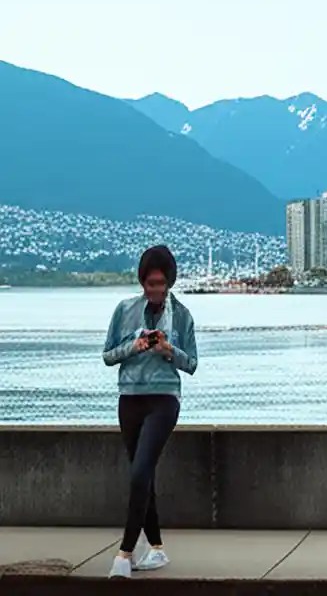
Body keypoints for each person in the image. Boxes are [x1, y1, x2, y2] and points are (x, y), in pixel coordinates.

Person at [101, 245, 198, 579]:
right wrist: (135, 345)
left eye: (160, 283)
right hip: (129, 398)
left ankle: (124, 553)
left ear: (169, 281)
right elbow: (108, 355)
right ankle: (156, 548)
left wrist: (169, 350)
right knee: (143, 474)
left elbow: (193, 364)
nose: (155, 290)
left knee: (141, 470)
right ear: (142, 281)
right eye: (149, 283)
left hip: (164, 398)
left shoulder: (182, 315)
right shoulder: (124, 309)